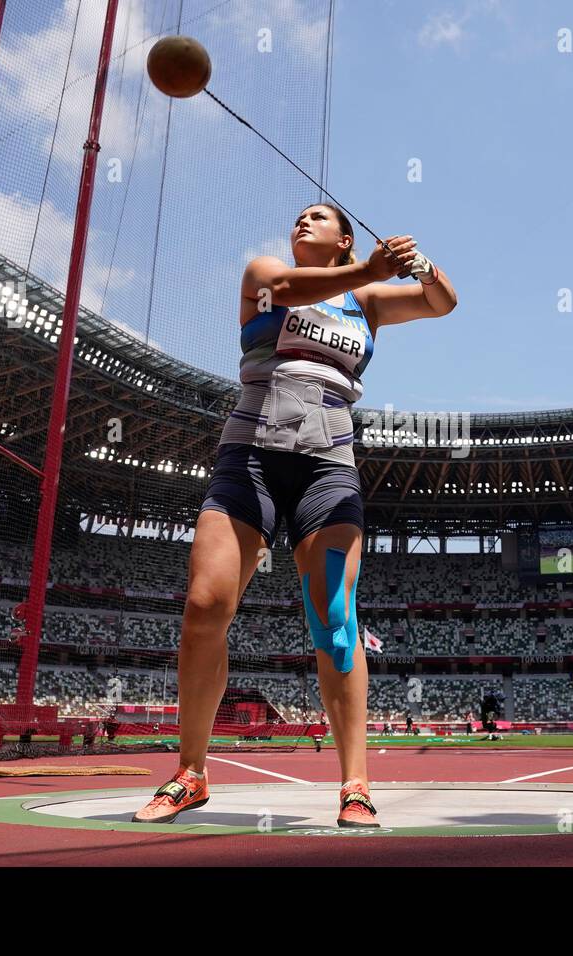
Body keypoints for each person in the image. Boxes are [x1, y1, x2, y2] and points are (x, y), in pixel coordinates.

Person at [134, 204, 456, 826]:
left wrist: (419, 264)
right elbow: (281, 289)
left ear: (344, 237)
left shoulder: (369, 302)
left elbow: (442, 302)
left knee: (335, 617)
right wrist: (369, 266)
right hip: (249, 459)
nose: (302, 222)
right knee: (206, 605)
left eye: (318, 217)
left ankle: (355, 784)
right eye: (299, 217)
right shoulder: (267, 272)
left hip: (327, 472)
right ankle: (190, 773)